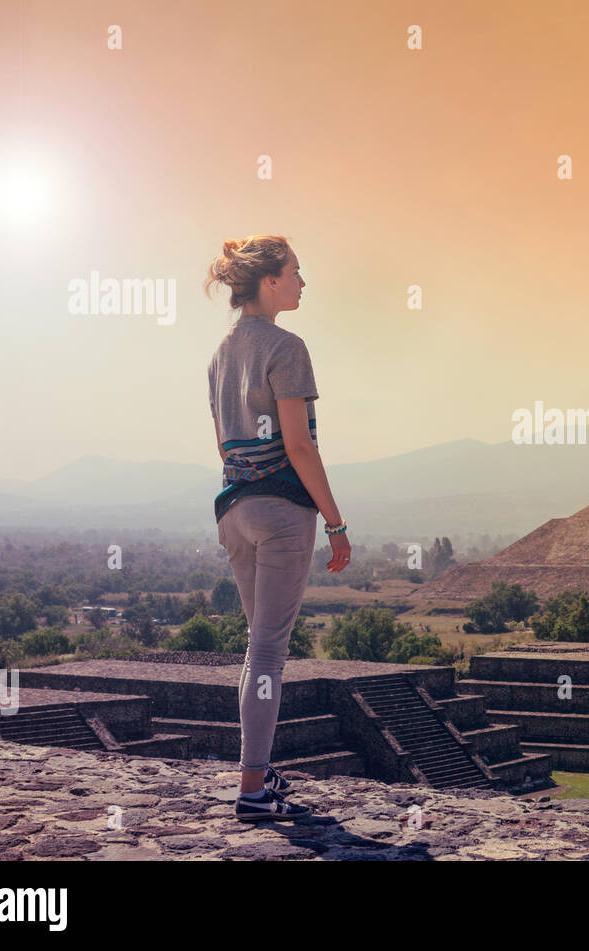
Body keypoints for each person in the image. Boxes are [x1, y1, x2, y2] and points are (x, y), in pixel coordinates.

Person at [204, 234, 352, 821]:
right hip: (282, 510)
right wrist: (337, 524)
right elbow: (298, 445)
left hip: (234, 510)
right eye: (295, 271)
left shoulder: (219, 354)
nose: (302, 281)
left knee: (255, 650)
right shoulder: (287, 347)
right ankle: (251, 789)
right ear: (269, 281)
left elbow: (223, 443)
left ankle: (256, 778)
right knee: (268, 654)